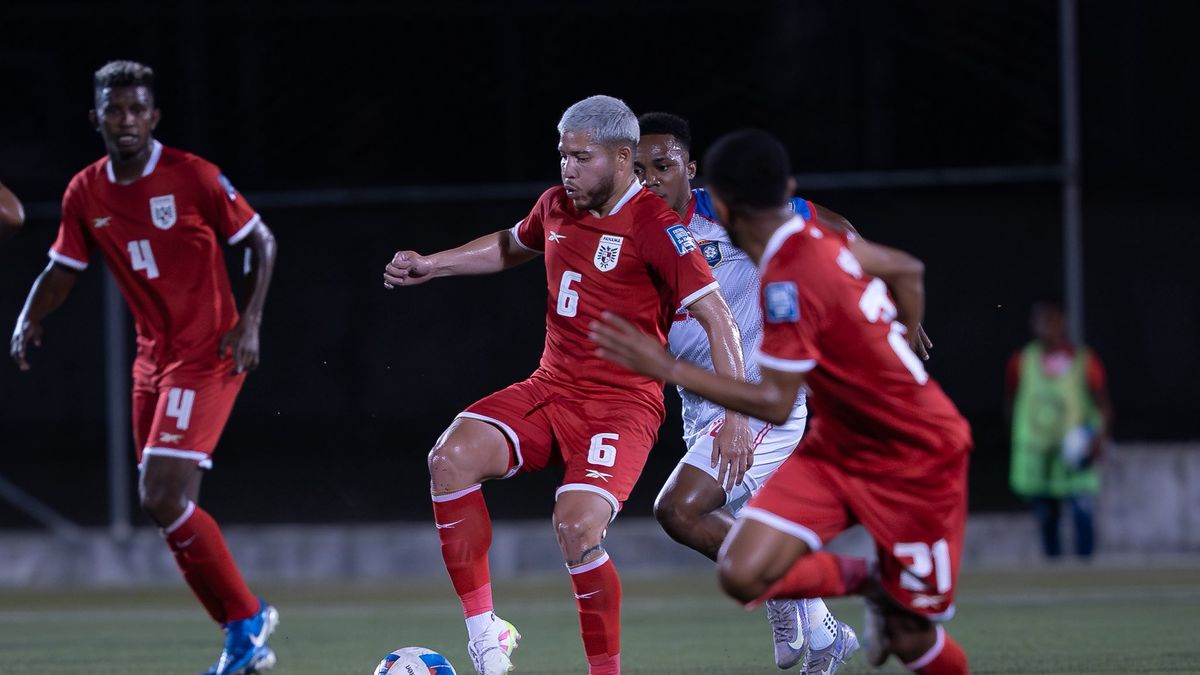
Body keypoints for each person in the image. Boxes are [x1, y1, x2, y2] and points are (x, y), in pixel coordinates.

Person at [382, 95, 749, 675]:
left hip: (621, 408)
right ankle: (486, 636)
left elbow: (718, 318)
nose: (567, 170)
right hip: (550, 389)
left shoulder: (658, 228)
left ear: (623, 158)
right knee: (449, 458)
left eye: (582, 158)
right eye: (563, 156)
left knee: (576, 526)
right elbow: (511, 244)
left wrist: (735, 417)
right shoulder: (557, 206)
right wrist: (434, 263)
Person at [591, 129, 974, 674]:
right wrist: (904, 329)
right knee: (743, 570)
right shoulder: (802, 249)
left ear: (714, 198)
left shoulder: (787, 280)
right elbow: (907, 269)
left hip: (914, 455)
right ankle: (865, 585)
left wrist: (665, 367)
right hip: (836, 444)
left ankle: (869, 602)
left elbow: (773, 401)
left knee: (913, 638)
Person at [8, 61, 279, 675]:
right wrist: (29, 315)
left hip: (207, 353)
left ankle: (247, 618)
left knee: (159, 493)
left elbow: (262, 242)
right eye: (114, 110)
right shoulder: (85, 191)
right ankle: (243, 632)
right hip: (150, 362)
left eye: (136, 110)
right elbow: (62, 269)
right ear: (96, 118)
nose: (125, 120)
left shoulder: (193, 175)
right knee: (167, 507)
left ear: (153, 117)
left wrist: (251, 321)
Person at [634, 112, 857, 673]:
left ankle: (792, 595)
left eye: (662, 166)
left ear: (689, 165)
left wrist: (880, 296)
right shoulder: (636, 232)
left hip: (758, 399)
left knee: (679, 510)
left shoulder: (730, 214)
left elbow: (835, 229)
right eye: (639, 170)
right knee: (748, 523)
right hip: (699, 405)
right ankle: (824, 632)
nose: (651, 179)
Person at [1007, 298, 1112, 559]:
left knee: (1082, 516)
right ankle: (1053, 577)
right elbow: (1010, 402)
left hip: (1075, 456)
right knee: (1047, 522)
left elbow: (1103, 404)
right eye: (1039, 320)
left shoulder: (1084, 361)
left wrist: (1099, 436)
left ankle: (1086, 574)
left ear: (1062, 321)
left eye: (1050, 319)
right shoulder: (1023, 361)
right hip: (1040, 459)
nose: (1045, 326)